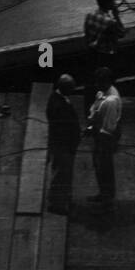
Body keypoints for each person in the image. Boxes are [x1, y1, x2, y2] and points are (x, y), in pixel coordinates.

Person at [87, 66, 123, 210]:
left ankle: (107, 201)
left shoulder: (111, 101)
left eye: (99, 82)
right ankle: (103, 194)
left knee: (105, 168)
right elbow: (95, 109)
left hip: (105, 138)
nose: (96, 84)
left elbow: (108, 127)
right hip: (99, 133)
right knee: (99, 166)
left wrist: (95, 133)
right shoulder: (103, 93)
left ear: (106, 82)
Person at [46, 74, 81, 215]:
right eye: (71, 88)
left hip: (63, 144)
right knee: (61, 174)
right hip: (63, 145)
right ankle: (56, 204)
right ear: (65, 88)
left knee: (63, 173)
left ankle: (62, 199)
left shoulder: (57, 98)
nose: (73, 90)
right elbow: (63, 129)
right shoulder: (59, 105)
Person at [84, 0, 126, 77]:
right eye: (113, 0)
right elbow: (122, 33)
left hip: (92, 54)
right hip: (106, 57)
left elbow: (87, 35)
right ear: (108, 3)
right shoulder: (110, 22)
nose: (115, 3)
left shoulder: (89, 15)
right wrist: (116, 15)